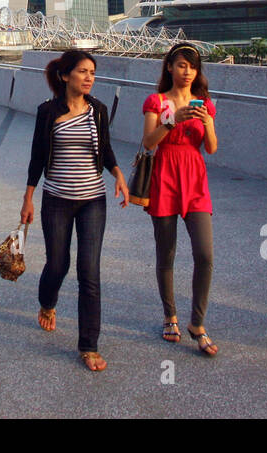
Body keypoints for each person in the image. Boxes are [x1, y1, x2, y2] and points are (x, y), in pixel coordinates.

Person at [21, 50, 130, 371]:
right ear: (66, 75)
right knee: (57, 264)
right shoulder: (48, 111)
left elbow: (106, 150)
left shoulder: (98, 110)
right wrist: (27, 200)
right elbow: (37, 157)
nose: (89, 77)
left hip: (92, 201)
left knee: (89, 273)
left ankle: (89, 345)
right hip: (56, 199)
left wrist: (118, 174)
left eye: (92, 73)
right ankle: (47, 302)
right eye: (82, 71)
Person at [141, 43, 219, 356]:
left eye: (192, 66)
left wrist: (208, 122)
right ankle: (170, 315)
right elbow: (148, 142)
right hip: (164, 177)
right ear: (170, 68)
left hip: (195, 179)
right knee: (167, 253)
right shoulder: (157, 101)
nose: (187, 72)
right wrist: (173, 120)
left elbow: (211, 148)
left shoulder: (206, 104)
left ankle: (197, 323)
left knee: (205, 255)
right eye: (181, 65)